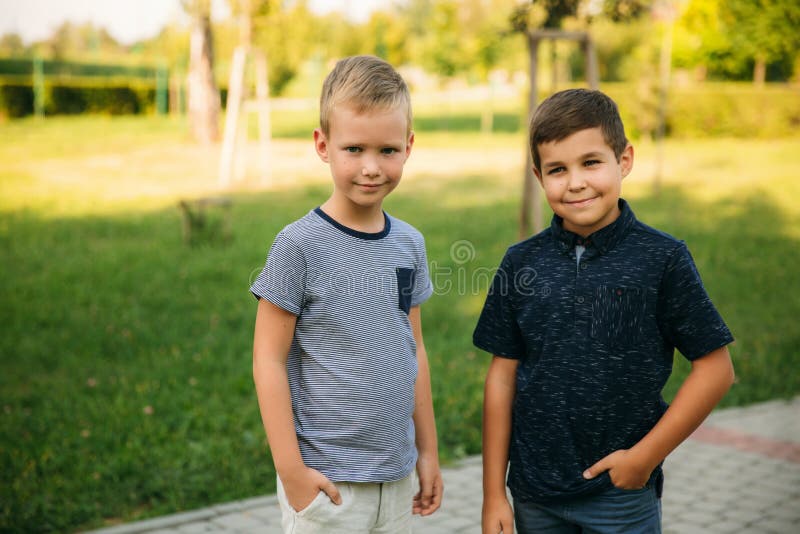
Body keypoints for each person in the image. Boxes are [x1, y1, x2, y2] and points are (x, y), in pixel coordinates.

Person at [474, 88, 735, 534]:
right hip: (535, 494)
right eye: (558, 169)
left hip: (620, 495)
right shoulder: (521, 262)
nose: (575, 182)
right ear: (539, 177)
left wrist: (644, 458)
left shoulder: (662, 258)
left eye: (590, 162)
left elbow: (716, 370)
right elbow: (502, 377)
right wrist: (493, 493)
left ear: (625, 160)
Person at [250, 55, 443, 533]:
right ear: (323, 144)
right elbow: (267, 361)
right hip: (328, 484)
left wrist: (428, 451)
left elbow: (413, 350)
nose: (372, 168)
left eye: (388, 150)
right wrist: (292, 473)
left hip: (395, 479)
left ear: (409, 147)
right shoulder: (298, 245)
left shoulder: (409, 243)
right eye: (354, 148)